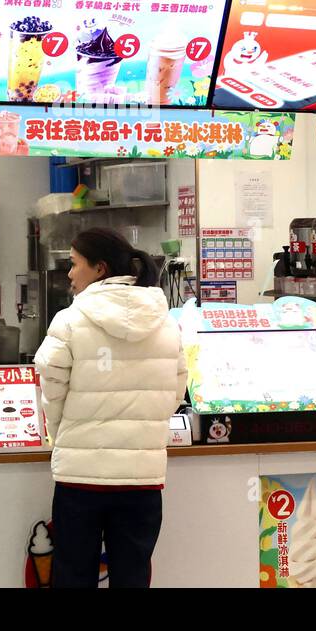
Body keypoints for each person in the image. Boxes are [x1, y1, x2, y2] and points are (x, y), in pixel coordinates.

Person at [33, 228, 187, 589]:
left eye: (74, 264)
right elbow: (176, 389)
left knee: (73, 573)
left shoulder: (70, 320)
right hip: (142, 480)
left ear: (99, 268)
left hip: (80, 477)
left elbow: (51, 387)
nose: (70, 274)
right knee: (133, 575)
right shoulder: (164, 321)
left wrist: (63, 433)